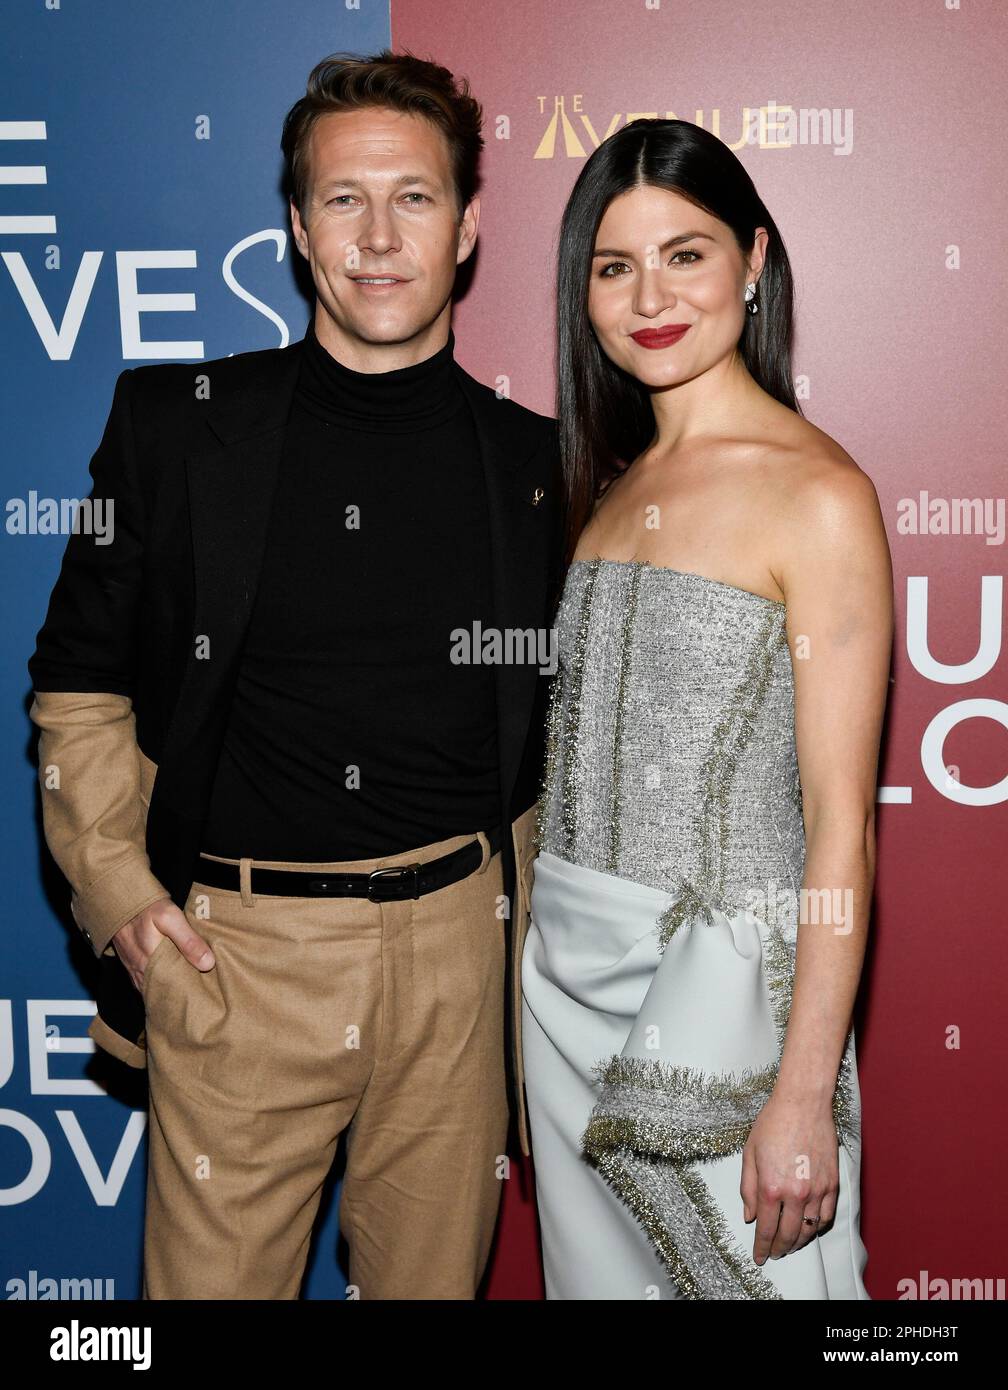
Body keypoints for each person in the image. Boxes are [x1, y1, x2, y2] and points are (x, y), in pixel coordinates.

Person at [28, 49, 560, 1300]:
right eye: (343, 199)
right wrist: (118, 892)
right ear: (296, 225)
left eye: (416, 198)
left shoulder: (540, 463)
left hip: (459, 962)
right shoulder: (176, 424)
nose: (379, 237)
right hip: (238, 963)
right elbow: (76, 683)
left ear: (470, 225)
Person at [518, 118, 893, 1299]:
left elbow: (843, 826)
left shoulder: (819, 494)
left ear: (756, 261)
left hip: (723, 1010)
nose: (650, 298)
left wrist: (801, 1089)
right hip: (565, 996)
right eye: (614, 265)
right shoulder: (610, 490)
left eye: (687, 254)